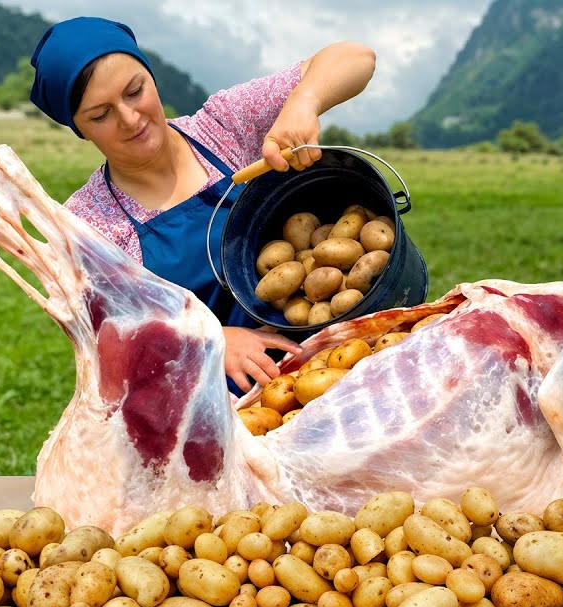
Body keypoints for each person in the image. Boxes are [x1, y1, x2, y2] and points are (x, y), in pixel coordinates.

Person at [28, 16, 376, 393]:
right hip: (222, 407)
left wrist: (303, 102)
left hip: (335, 358)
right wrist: (213, 340)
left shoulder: (223, 127)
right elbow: (113, 347)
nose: (130, 119)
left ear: (151, 76)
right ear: (80, 129)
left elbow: (356, 57)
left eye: (134, 91)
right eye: (101, 115)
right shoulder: (88, 223)